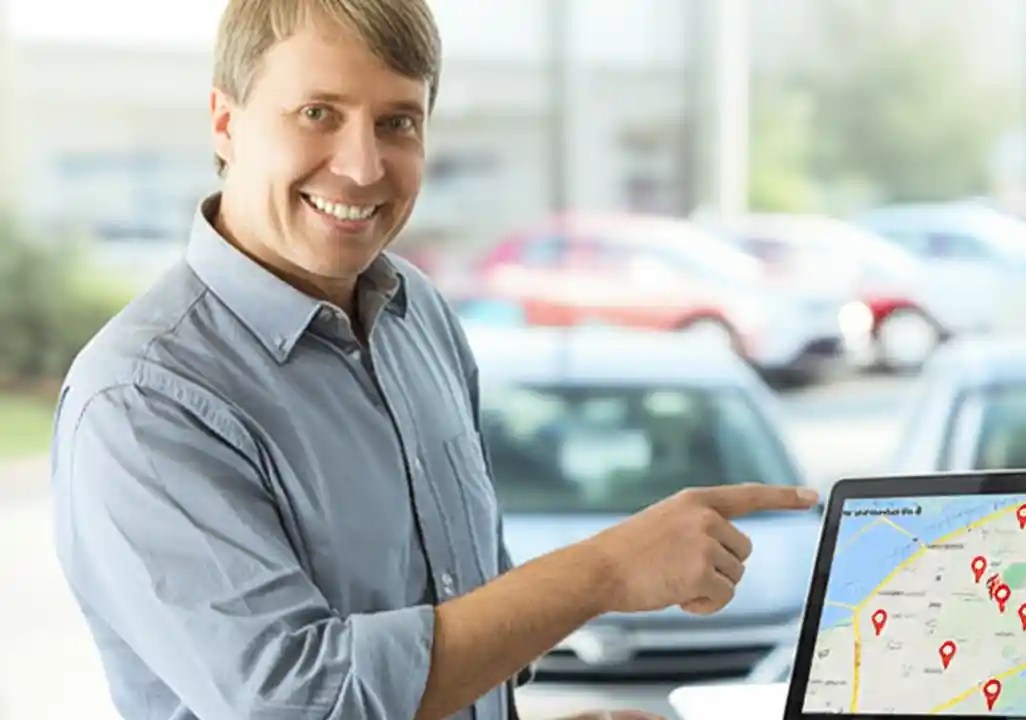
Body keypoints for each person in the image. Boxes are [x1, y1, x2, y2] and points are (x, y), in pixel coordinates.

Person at [48, 1, 820, 719]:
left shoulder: (416, 316)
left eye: (397, 122)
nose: (362, 166)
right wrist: (604, 572)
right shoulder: (141, 398)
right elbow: (301, 701)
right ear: (225, 121)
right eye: (319, 114)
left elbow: (464, 612)